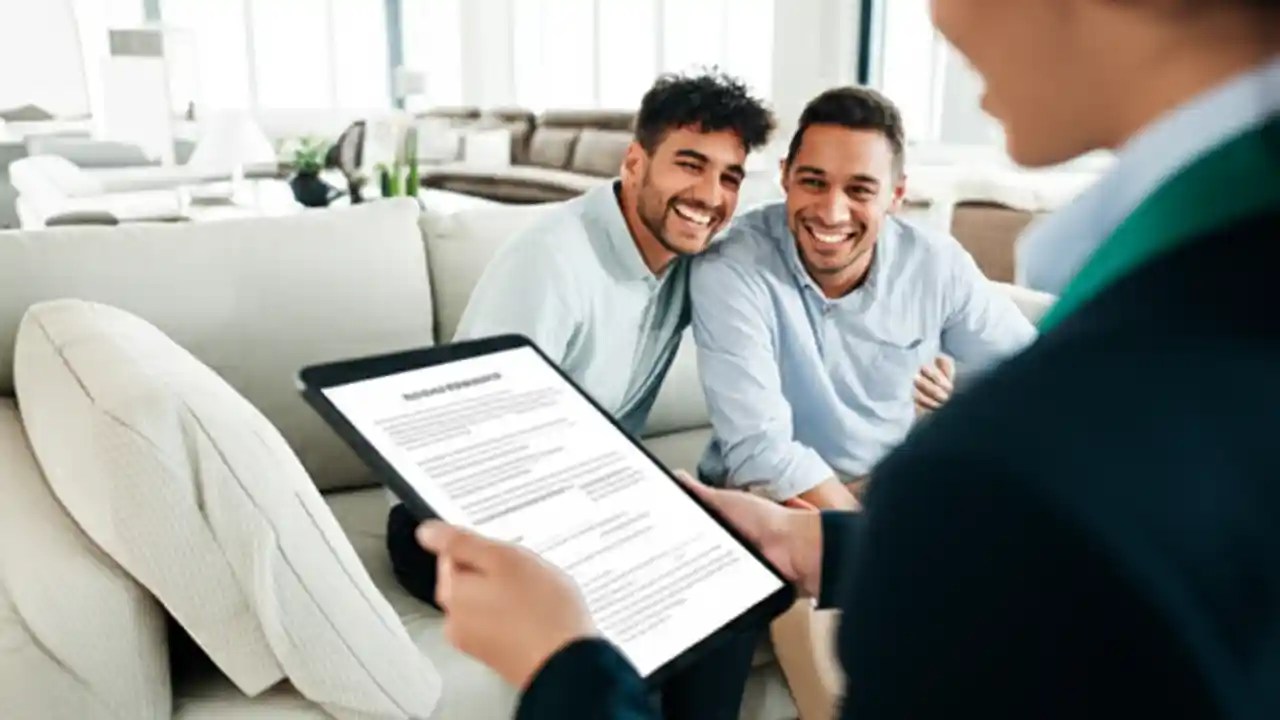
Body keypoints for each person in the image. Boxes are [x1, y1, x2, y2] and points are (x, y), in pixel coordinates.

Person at [415, 0, 1280, 718]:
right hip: (599, 495)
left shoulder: (999, 462)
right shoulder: (699, 263)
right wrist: (833, 543)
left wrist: (565, 667)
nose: (942, 18)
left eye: (727, 174)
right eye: (810, 182)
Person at [385, 69, 777, 720]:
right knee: (642, 621)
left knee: (732, 584)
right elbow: (474, 452)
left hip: (582, 506)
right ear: (634, 162)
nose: (710, 194)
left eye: (730, 176)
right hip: (455, 519)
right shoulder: (552, 259)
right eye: (690, 164)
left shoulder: (692, 262)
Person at [692, 86, 1035, 510]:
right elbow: (762, 453)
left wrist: (957, 405)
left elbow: (1037, 374)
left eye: (860, 190)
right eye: (814, 182)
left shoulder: (936, 265)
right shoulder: (732, 268)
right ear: (785, 176)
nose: (832, 212)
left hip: (885, 491)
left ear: (895, 195)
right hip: (767, 503)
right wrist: (866, 545)